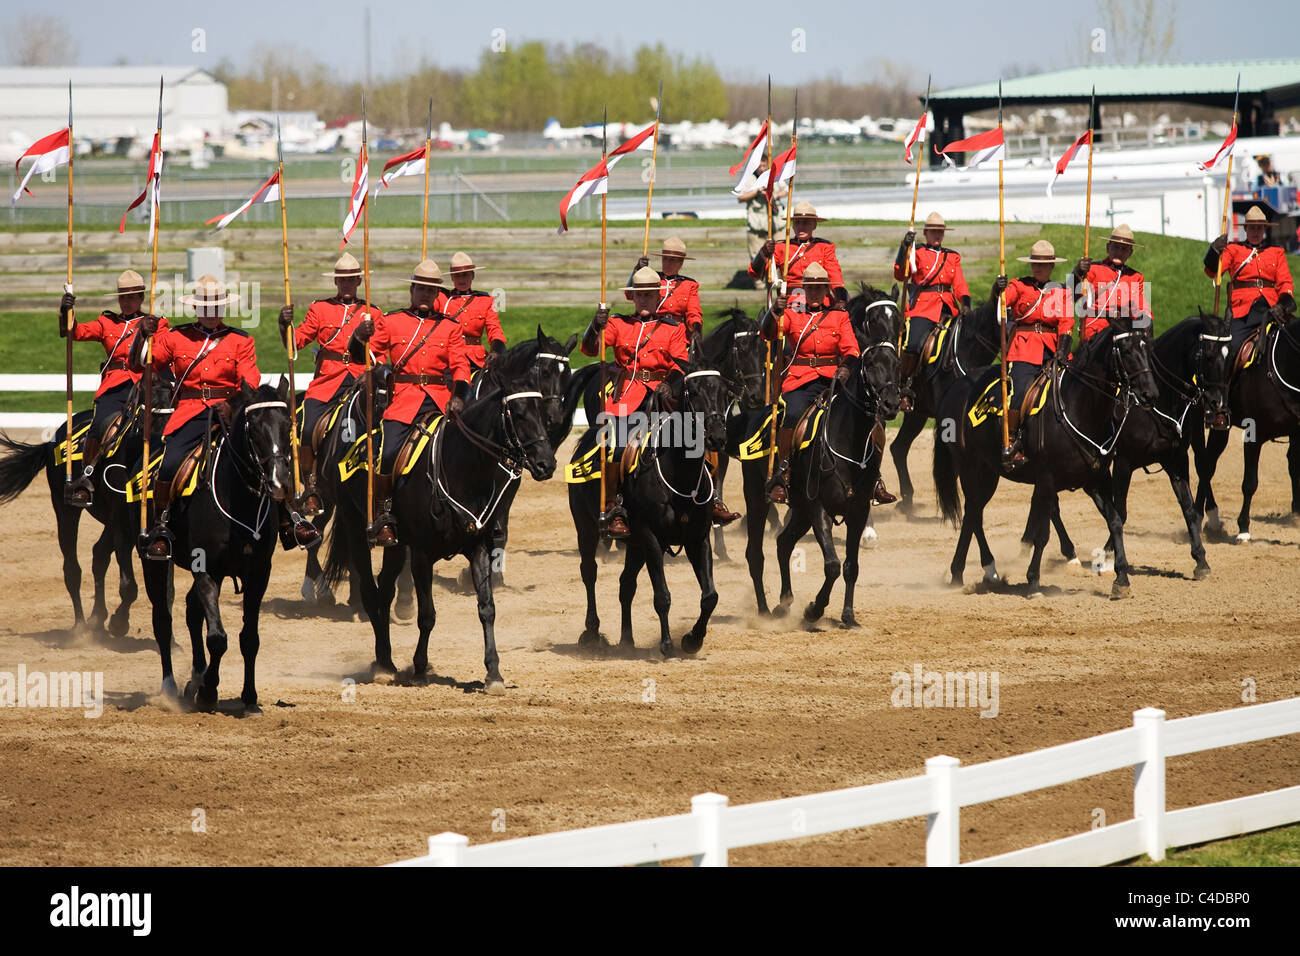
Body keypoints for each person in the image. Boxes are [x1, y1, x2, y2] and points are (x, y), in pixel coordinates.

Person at [133, 275, 320, 559]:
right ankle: (161, 527)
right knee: (170, 463)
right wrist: (141, 334)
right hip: (189, 414)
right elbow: (142, 362)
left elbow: (250, 382)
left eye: (216, 307)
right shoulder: (175, 337)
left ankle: (288, 519)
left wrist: (232, 405)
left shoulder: (240, 341)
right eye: (205, 307)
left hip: (230, 415)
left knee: (268, 456)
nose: (211, 313)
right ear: (196, 308)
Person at [580, 266, 740, 537]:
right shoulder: (618, 324)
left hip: (663, 397)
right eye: (639, 295)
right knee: (615, 445)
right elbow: (590, 348)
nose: (644, 300)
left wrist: (670, 384)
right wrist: (595, 325)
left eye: (649, 295)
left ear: (658, 298)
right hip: (626, 395)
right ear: (633, 298)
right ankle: (614, 508)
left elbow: (680, 365)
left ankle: (709, 499)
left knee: (694, 439)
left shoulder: (673, 329)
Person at [350, 259, 471, 548]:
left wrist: (459, 396)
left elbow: (461, 367)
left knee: (462, 453)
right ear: (412, 290)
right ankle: (384, 514)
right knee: (387, 451)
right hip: (403, 402)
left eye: (432, 290)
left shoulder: (450, 328)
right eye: (422, 289)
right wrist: (358, 337)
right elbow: (364, 357)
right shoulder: (392, 322)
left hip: (440, 403)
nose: (426, 295)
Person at [761, 262, 895, 505]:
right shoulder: (791, 313)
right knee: (791, 414)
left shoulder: (839, 316)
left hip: (833, 379)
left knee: (869, 417)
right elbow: (770, 334)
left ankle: (874, 476)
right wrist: (774, 312)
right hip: (800, 381)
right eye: (810, 288)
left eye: (819, 288)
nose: (814, 293)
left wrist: (845, 368)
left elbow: (852, 349)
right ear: (803, 289)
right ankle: (784, 472)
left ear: (826, 291)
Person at [278, 252, 382, 516]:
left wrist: (369, 372)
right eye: (342, 280)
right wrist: (283, 326)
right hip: (328, 380)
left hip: (361, 379)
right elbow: (296, 343)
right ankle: (312, 486)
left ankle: (383, 491)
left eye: (351, 279)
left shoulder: (374, 313)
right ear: (336, 282)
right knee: (307, 426)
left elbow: (379, 356)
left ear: (359, 281)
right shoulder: (319, 309)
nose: (347, 284)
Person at [57, 270, 169, 508]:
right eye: (122, 297)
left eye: (131, 297)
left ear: (140, 298)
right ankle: (86, 477)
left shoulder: (157, 323)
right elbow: (73, 332)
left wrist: (149, 332)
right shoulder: (106, 322)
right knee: (99, 425)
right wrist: (66, 310)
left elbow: (163, 354)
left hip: (146, 382)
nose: (126, 302)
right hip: (115, 384)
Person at [991, 240, 1073, 468]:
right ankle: (1012, 440)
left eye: (1043, 264)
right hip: (1024, 348)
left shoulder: (1060, 291)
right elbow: (1004, 304)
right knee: (1019, 391)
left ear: (1051, 266)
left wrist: (1063, 351)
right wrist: (999, 290)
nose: (1038, 268)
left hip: (1053, 348)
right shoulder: (1020, 285)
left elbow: (1066, 321)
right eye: (1035, 263)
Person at [892, 211, 971, 410]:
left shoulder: (952, 256)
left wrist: (966, 304)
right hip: (924, 307)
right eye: (933, 232)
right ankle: (904, 387)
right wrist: (904, 248)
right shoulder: (917, 252)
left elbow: (959, 284)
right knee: (914, 343)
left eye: (940, 232)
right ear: (926, 233)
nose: (937, 235)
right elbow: (901, 274)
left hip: (948, 307)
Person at [1203, 204, 1296, 356]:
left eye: (1259, 228)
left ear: (1264, 229)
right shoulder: (1234, 250)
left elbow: (1285, 283)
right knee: (1229, 349)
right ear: (1245, 229)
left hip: (1271, 307)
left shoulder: (1276, 252)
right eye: (1252, 228)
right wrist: (1213, 250)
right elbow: (1212, 272)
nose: (1255, 232)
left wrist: (1281, 305)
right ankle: (1227, 379)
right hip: (1243, 311)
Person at [748, 200, 847, 307]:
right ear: (793, 226)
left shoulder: (824, 247)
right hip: (792, 303)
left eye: (806, 223)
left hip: (821, 301)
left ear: (814, 225)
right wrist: (763, 252)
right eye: (798, 223)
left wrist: (841, 300)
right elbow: (755, 273)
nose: (801, 227)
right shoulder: (781, 248)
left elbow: (835, 278)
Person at [625, 237, 705, 352]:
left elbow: (694, 312)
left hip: (678, 334)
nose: (667, 263)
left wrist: (697, 328)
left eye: (672, 260)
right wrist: (637, 271)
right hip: (652, 331)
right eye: (665, 259)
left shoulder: (689, 284)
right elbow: (629, 294)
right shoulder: (651, 278)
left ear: (681, 262)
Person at [1073, 224, 1149, 343]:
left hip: (1123, 330)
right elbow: (1074, 295)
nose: (1119, 252)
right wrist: (1077, 272)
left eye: (1124, 249)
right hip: (1096, 327)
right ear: (1108, 247)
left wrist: (1145, 324)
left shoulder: (1135, 277)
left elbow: (1140, 308)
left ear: (1130, 252)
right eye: (1116, 247)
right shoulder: (1093, 269)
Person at [444, 251, 506, 374]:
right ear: (451, 277)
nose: (462, 279)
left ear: (472, 275)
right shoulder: (443, 299)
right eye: (458, 275)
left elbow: (495, 330)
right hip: (448, 357)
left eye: (466, 275)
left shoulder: (485, 300)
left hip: (476, 359)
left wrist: (496, 350)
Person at [736, 157, 788, 277]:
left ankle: (779, 284)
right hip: (756, 226)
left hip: (777, 224)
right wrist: (756, 192)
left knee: (781, 254)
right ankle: (760, 286)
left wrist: (775, 195)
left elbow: (785, 190)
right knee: (757, 256)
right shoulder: (749, 179)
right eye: (759, 166)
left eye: (764, 166)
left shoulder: (774, 176)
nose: (761, 169)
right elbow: (740, 197)